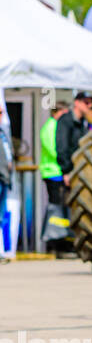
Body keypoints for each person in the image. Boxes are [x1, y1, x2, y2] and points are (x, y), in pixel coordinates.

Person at [56, 91, 92, 180]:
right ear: (76, 103)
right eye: (86, 102)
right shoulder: (65, 121)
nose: (90, 105)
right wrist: (66, 171)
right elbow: (62, 148)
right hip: (68, 173)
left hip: (81, 170)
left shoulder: (84, 122)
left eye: (91, 103)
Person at [40, 101, 68, 204]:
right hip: (53, 172)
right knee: (56, 205)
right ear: (57, 112)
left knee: (61, 203)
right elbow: (54, 150)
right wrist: (67, 163)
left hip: (58, 171)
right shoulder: (50, 127)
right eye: (64, 113)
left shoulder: (57, 125)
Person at [0, 100, 13, 264]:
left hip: (4, 179)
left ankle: (3, 250)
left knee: (2, 216)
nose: (1, 116)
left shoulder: (2, 133)